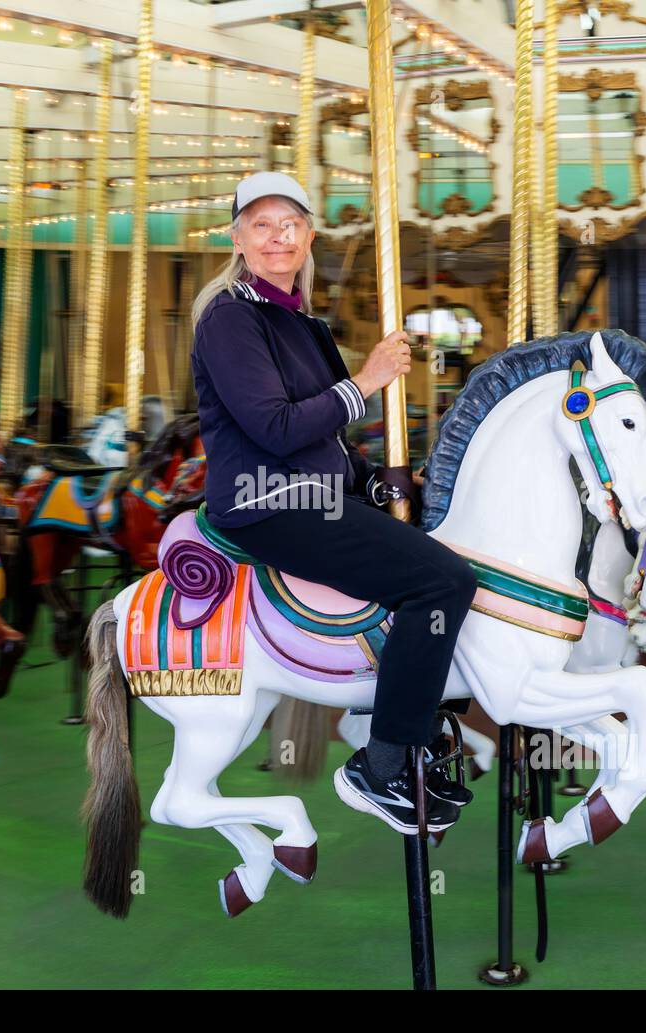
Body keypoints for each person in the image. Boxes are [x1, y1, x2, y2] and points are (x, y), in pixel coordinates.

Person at [190, 172, 478, 835]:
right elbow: (277, 429)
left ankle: (407, 712)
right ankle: (382, 764)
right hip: (270, 504)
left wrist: (370, 476)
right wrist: (369, 381)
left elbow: (324, 437)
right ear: (237, 238)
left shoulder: (302, 322)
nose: (277, 237)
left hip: (317, 493)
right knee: (441, 582)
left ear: (309, 235)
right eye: (260, 225)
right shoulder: (231, 320)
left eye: (289, 224)